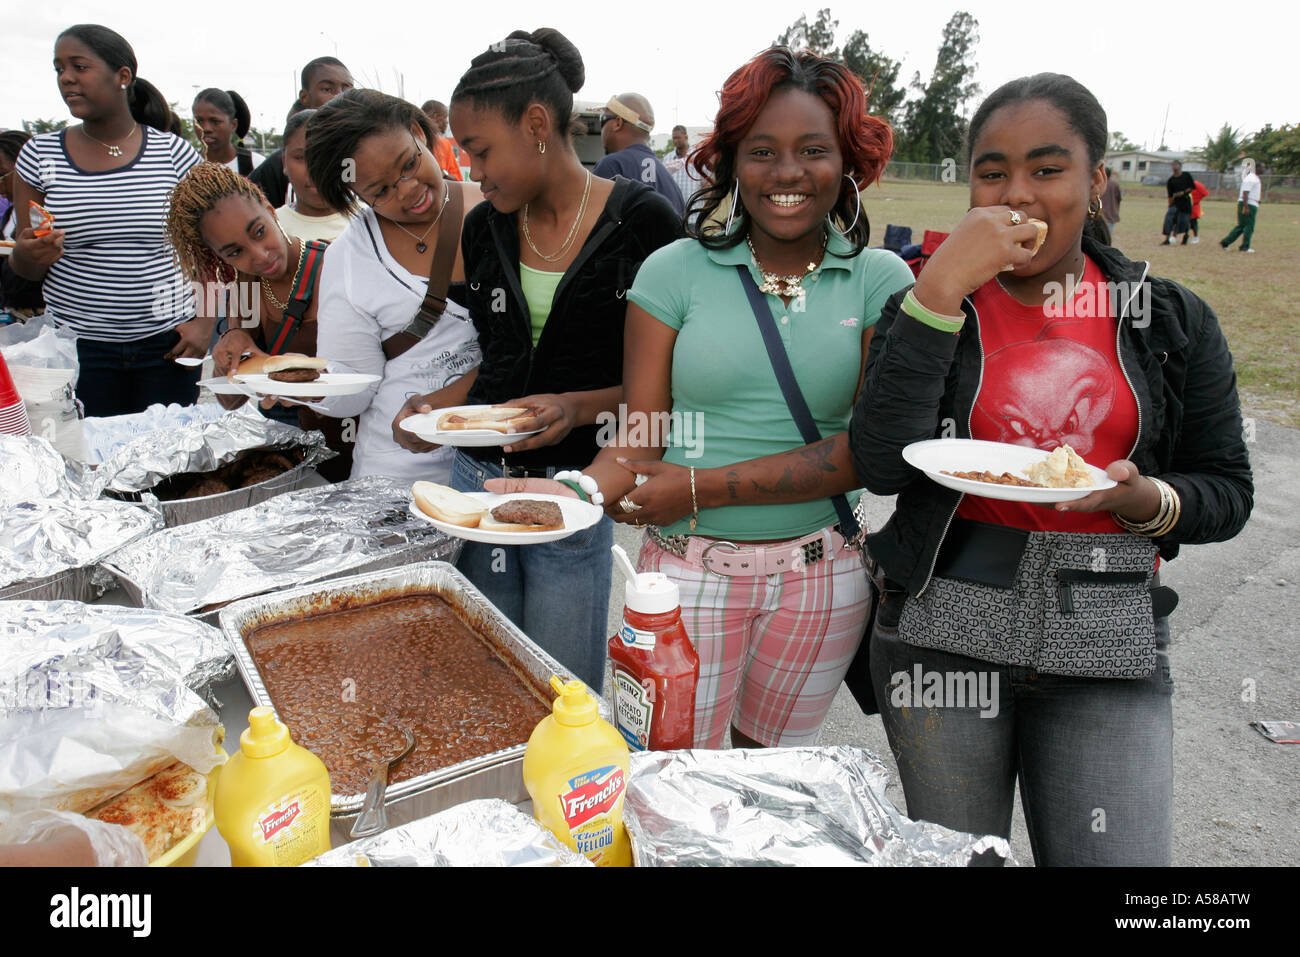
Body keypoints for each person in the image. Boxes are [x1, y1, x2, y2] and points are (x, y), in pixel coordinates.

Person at [850, 73, 1253, 866]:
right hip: (941, 625)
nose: (1018, 194)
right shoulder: (934, 300)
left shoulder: (1167, 318)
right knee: (963, 859)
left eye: (1047, 168)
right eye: (992, 171)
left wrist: (1148, 500)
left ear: (1097, 181)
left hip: (1103, 624)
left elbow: (1229, 490)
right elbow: (881, 463)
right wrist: (937, 288)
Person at [589, 47, 911, 749]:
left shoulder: (880, 282)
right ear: (731, 159)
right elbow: (640, 436)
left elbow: (868, 455)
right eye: (761, 150)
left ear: (848, 161)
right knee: (669, 781)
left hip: (821, 584)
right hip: (686, 578)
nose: (788, 172)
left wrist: (700, 485)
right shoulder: (673, 271)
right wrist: (570, 497)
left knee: (767, 783)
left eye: (813, 150)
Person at [391, 29, 680, 692]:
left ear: (539, 124)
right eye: (463, 153)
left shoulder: (644, 223)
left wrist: (577, 406)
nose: (473, 171)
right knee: (483, 680)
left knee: (561, 692)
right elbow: (497, 362)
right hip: (477, 485)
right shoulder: (484, 224)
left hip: (571, 490)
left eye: (481, 150)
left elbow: (667, 382)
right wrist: (439, 405)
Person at [10, 23, 207, 416]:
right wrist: (31, 255)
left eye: (79, 66)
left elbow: (215, 250)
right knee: (89, 464)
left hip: (168, 344)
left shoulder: (174, 154)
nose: (66, 78)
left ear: (122, 76)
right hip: (78, 350)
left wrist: (206, 323)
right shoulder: (39, 155)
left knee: (166, 468)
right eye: (59, 68)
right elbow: (23, 268)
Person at [296, 88, 484, 484]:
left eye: (409, 164)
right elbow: (353, 392)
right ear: (354, 193)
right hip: (404, 477)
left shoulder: (498, 206)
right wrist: (307, 390)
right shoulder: (351, 257)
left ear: (418, 131)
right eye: (380, 191)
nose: (408, 190)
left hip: (503, 461)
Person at [164, 162, 326, 425]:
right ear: (218, 258)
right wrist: (229, 348)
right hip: (289, 441)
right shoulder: (247, 284)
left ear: (271, 212)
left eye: (259, 232)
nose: (260, 255)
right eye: (235, 252)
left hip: (349, 439)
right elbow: (231, 401)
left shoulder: (330, 267)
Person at [249, 57, 354, 208]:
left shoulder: (359, 154)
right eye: (327, 89)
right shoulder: (281, 164)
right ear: (305, 97)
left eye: (346, 89)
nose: (339, 96)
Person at [593, 93, 684, 215]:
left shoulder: (611, 165)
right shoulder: (670, 181)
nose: (602, 129)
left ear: (618, 123)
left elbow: (589, 225)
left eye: (603, 120)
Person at [274, 110, 350, 242]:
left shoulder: (371, 220)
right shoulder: (273, 228)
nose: (315, 170)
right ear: (284, 163)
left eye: (328, 156)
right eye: (301, 158)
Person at [1, 130, 45, 318]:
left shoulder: (46, 216)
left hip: (43, 321)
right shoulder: (10, 215)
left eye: (2, 175)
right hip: (14, 318)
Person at [192, 89, 262, 176]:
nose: (206, 128)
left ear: (233, 125)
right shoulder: (185, 165)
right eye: (199, 121)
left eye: (215, 121)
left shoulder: (257, 165)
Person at [1220, 159, 1262, 252]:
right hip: (1248, 204)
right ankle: (1245, 246)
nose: (1263, 169)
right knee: (1248, 226)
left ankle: (1226, 242)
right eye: (1262, 167)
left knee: (1242, 226)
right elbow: (1245, 193)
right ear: (1257, 168)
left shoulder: (1253, 177)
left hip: (1251, 203)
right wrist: (1246, 207)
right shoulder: (1251, 178)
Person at [420, 99, 464, 181]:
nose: (447, 123)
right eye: (445, 118)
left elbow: (457, 180)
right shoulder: (413, 141)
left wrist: (442, 173)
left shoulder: (444, 144)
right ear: (435, 117)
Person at [662, 123, 704, 206]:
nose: (675, 141)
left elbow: (706, 184)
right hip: (674, 210)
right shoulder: (667, 159)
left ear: (686, 137)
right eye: (674, 138)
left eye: (678, 138)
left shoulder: (698, 157)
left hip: (694, 210)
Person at [1160, 158, 1194, 245]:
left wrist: (1182, 193)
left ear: (1180, 166)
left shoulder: (1186, 176)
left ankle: (1185, 236)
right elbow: (1170, 195)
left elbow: (1192, 187)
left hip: (1185, 202)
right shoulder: (1171, 180)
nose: (1174, 166)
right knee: (1169, 219)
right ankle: (1167, 239)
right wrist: (1170, 204)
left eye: (1176, 164)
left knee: (1184, 220)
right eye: (1173, 165)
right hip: (1175, 203)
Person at [1100, 164, 1121, 241]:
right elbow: (1119, 198)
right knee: (1107, 236)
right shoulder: (1115, 184)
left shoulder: (1098, 183)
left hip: (1101, 213)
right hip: (1111, 213)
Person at [1188, 178, 1208, 244]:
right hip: (1184, 206)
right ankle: (1174, 237)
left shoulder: (1196, 184)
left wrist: (1196, 199)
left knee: (1193, 222)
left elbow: (1205, 193)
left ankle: (1195, 237)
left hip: (1194, 206)